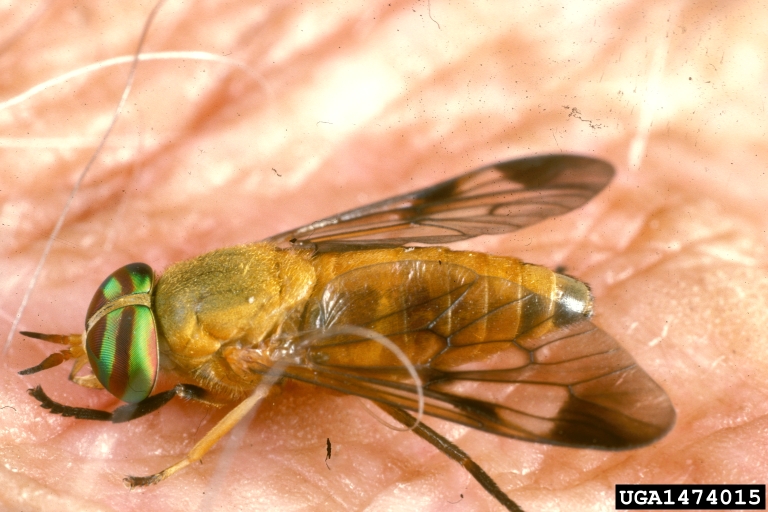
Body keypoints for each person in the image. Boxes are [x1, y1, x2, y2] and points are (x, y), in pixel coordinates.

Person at [3, 1, 765, 510]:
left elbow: (256, 391)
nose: (121, 304)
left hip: (430, 309)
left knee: (390, 385)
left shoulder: (250, 352)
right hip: (352, 263)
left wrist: (179, 464)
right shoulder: (253, 263)